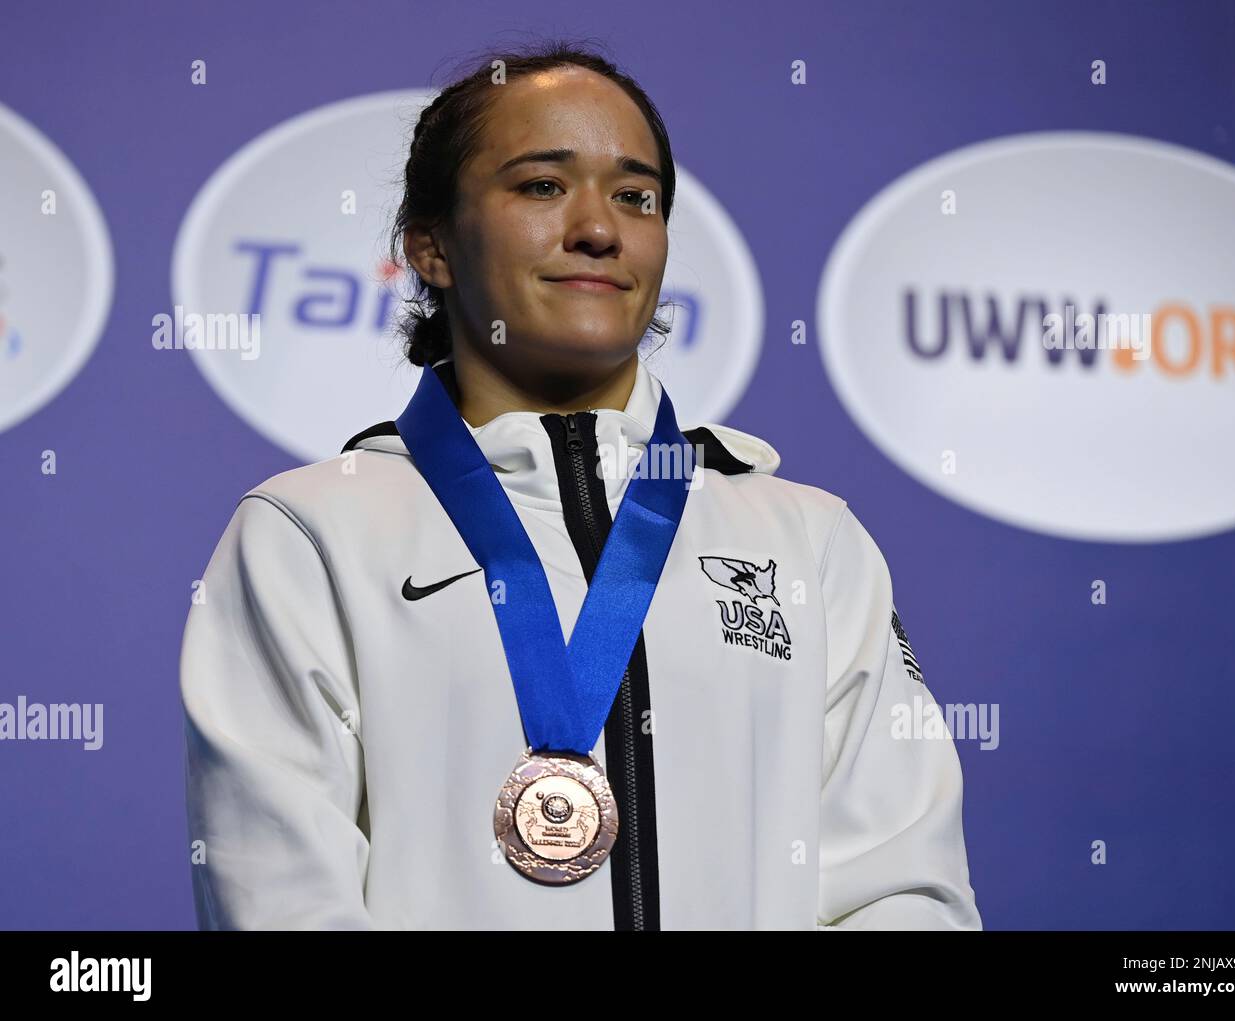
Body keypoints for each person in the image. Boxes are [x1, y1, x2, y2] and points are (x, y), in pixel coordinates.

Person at [179, 41, 982, 931]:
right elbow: (283, 903)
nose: (599, 227)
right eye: (542, 186)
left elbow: (904, 890)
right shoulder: (310, 533)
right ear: (431, 244)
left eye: (635, 196)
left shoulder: (808, 540)